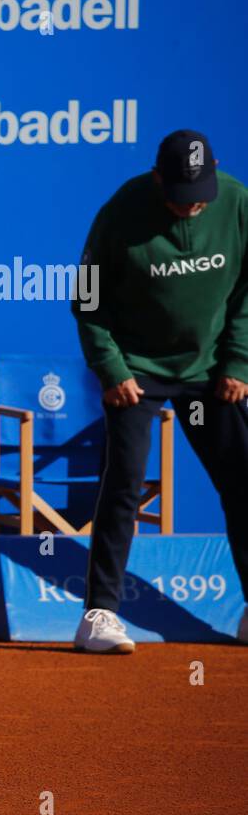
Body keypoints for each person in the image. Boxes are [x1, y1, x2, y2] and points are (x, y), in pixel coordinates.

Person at [73, 129, 248, 653]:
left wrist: (239, 359)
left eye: (199, 197)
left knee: (242, 481)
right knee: (124, 483)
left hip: (209, 374)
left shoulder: (238, 203)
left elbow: (247, 290)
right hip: (137, 374)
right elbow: (87, 297)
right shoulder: (121, 213)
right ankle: (98, 617)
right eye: (178, 197)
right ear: (156, 179)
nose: (191, 209)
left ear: (214, 172)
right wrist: (111, 369)